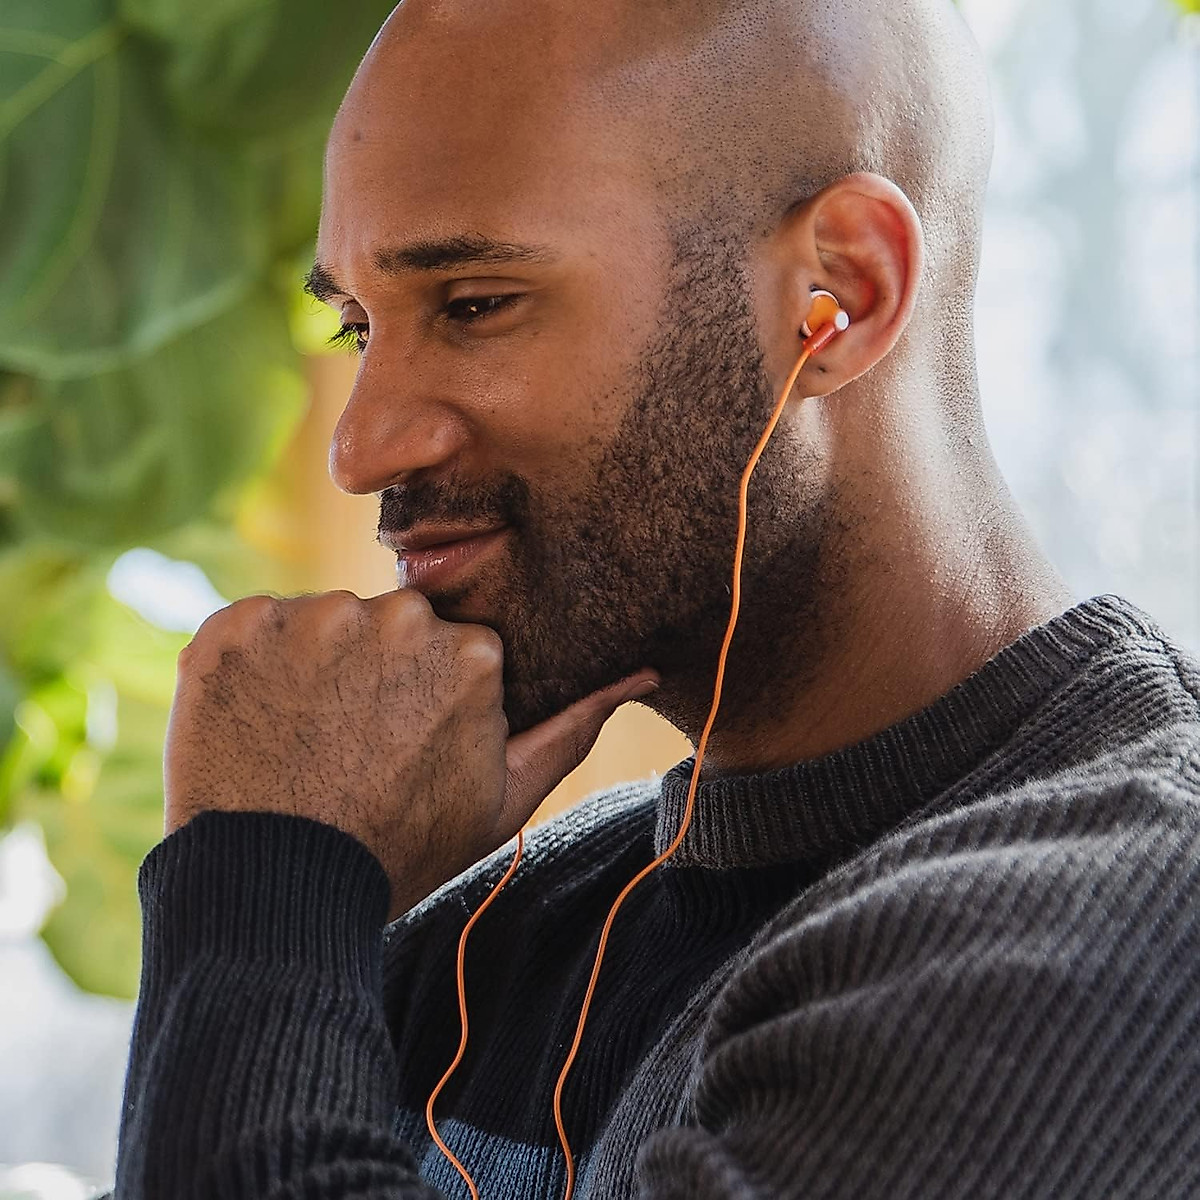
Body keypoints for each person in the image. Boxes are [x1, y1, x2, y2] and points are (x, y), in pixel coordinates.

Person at [112, 0, 1200, 1195]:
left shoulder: (1123, 929)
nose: (362, 448)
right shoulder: (494, 934)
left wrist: (266, 869)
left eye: (473, 304)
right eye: (356, 328)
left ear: (842, 292)